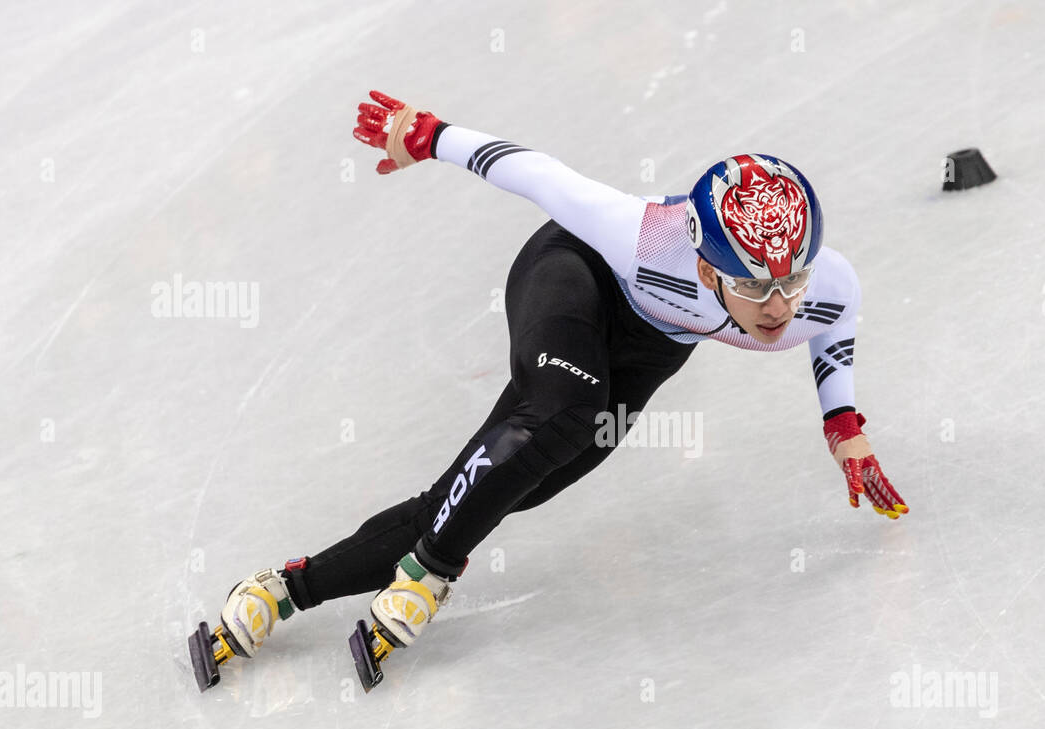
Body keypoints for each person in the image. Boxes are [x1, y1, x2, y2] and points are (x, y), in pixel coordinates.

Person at [187, 90, 908, 694]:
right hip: (573, 278)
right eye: (753, 283)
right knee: (563, 412)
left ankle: (284, 589)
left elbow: (835, 325)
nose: (778, 305)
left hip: (647, 352)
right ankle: (431, 575)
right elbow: (539, 175)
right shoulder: (640, 237)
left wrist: (843, 425)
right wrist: (430, 136)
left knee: (505, 486)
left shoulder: (824, 287)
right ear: (707, 264)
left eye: (792, 279)